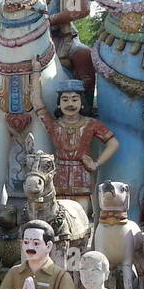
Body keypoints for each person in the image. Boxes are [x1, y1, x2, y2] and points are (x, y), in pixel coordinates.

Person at [31, 78, 116, 216]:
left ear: (82, 102)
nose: (70, 103)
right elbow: (36, 102)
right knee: (59, 218)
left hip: (82, 180)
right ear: (59, 104)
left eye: (75, 99)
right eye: (65, 100)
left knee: (80, 218)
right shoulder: (54, 125)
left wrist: (96, 163)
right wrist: (36, 72)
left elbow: (113, 143)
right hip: (58, 180)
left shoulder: (91, 124)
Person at [0, 220, 75, 289]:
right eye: (26, 242)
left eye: (36, 243)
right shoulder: (14, 272)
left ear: (48, 246)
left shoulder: (61, 276)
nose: (30, 247)